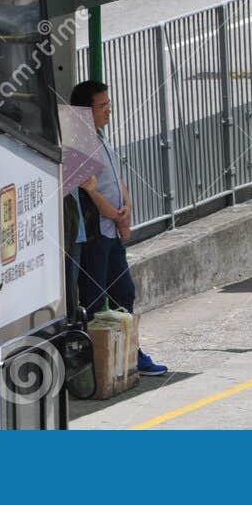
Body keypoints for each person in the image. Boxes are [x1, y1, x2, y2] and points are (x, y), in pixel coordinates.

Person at [74, 80, 169, 377]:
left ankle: (130, 352)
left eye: (108, 105)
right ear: (85, 112)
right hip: (96, 235)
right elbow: (89, 192)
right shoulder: (78, 145)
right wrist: (116, 215)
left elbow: (118, 180)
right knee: (93, 300)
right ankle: (96, 362)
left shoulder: (101, 137)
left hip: (112, 231)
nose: (108, 111)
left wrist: (125, 210)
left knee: (124, 292)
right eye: (102, 106)